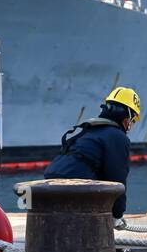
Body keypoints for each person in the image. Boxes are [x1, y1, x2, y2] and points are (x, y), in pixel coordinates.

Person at [44, 87, 139, 224]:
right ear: (127, 118)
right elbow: (117, 180)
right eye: (133, 120)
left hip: (49, 181)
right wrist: (117, 215)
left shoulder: (90, 129)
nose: (131, 125)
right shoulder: (118, 137)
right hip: (73, 187)